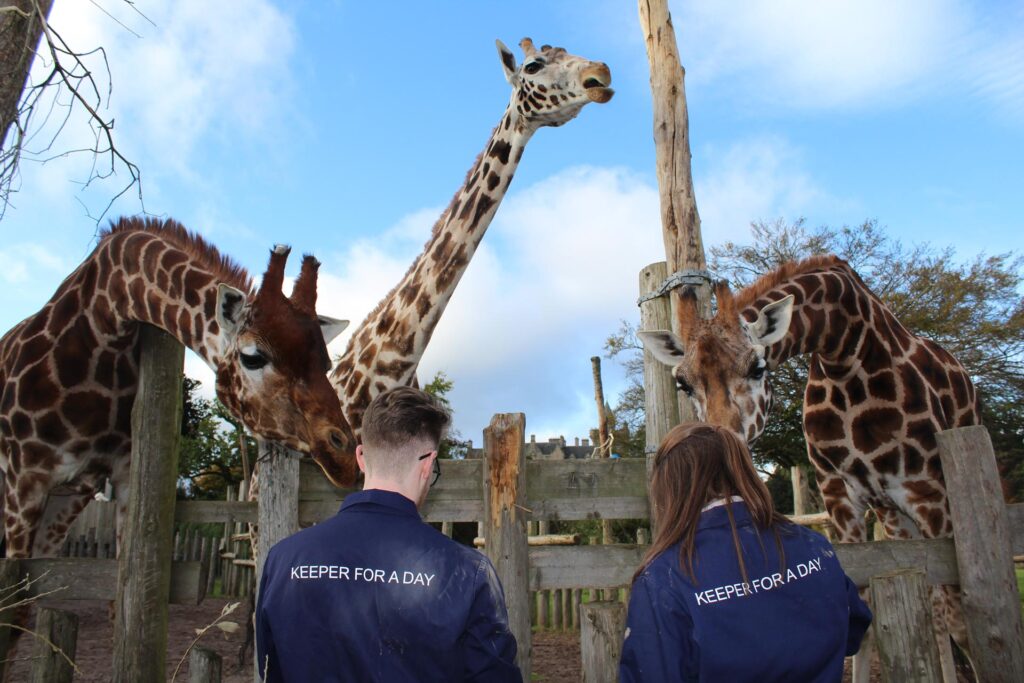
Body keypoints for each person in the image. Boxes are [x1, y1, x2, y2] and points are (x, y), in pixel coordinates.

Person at [256, 386, 522, 682]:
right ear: (428, 465)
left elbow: (270, 669)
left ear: (360, 456)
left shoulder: (283, 560)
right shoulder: (468, 572)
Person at [620, 422, 872, 683]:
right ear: (742, 469)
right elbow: (854, 627)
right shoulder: (812, 545)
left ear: (668, 487)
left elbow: (651, 671)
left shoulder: (664, 578)